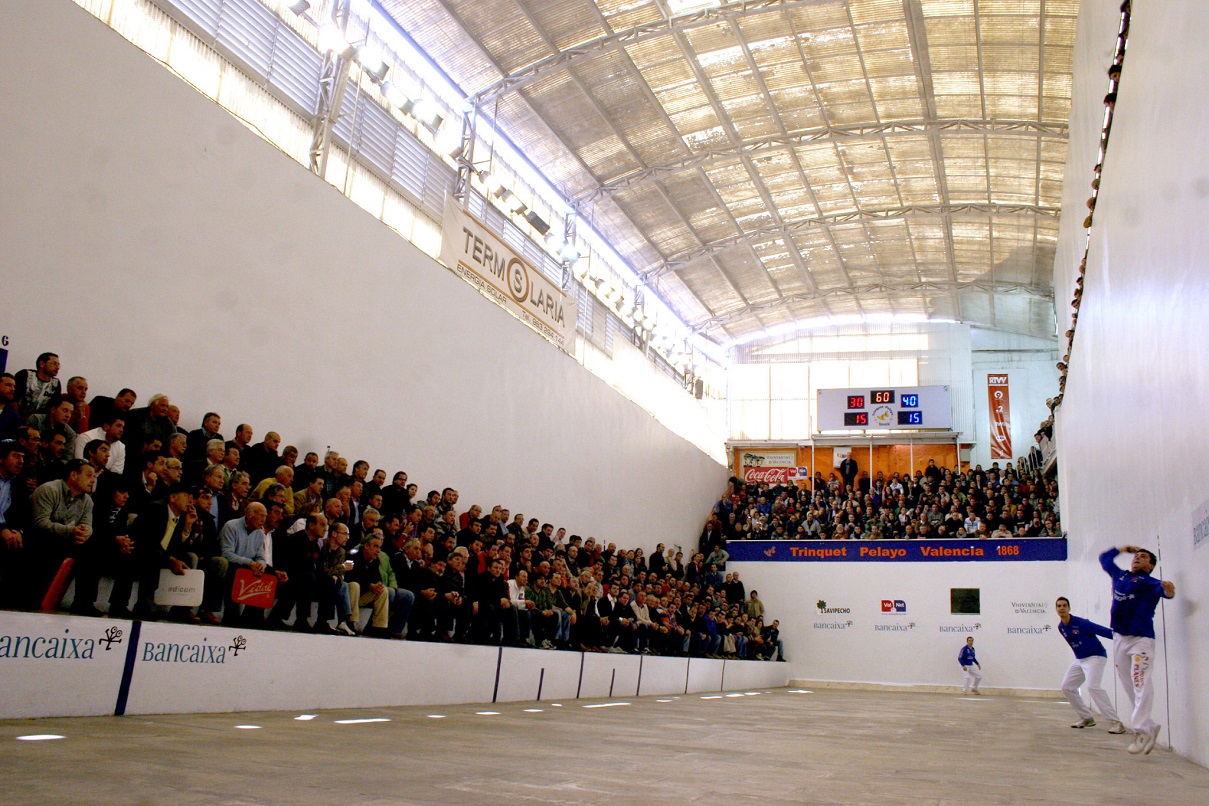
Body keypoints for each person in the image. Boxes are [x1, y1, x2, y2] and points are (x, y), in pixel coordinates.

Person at [1100, 545, 1176, 754]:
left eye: (1142, 557)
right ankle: (1149, 725)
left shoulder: (1149, 582)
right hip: (1120, 638)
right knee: (1128, 684)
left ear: (1150, 566)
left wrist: (1169, 591)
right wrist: (1123, 549)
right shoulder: (1119, 576)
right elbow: (1105, 558)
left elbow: (1165, 592)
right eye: (1136, 556)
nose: (1137, 558)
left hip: (1141, 640)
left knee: (1140, 681)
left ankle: (1141, 728)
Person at [1055, 596, 1125, 733]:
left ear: (1069, 608)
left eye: (1064, 605)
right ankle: (1087, 718)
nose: (1062, 608)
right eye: (1059, 606)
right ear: (1056, 609)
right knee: (1067, 686)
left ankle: (1116, 723)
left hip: (1096, 656)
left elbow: (1104, 631)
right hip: (1080, 659)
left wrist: (1125, 639)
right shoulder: (1061, 627)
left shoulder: (1082, 623)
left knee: (1093, 686)